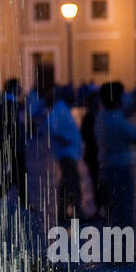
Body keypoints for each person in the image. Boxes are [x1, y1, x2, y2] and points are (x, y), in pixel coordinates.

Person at [95, 80, 136, 229]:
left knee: (113, 216)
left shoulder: (102, 117)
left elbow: (122, 113)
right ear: (118, 99)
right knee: (124, 216)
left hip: (106, 171)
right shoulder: (117, 124)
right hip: (120, 173)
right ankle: (124, 250)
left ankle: (114, 249)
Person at [48, 85, 83, 221]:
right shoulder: (60, 108)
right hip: (66, 153)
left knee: (66, 183)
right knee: (73, 182)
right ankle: (77, 211)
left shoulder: (63, 108)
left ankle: (63, 212)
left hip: (69, 152)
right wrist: (64, 140)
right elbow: (52, 127)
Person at [80, 89, 103, 215]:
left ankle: (102, 207)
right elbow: (84, 135)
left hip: (97, 153)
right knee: (96, 182)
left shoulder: (98, 116)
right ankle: (99, 208)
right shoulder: (90, 117)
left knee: (99, 182)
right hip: (93, 154)